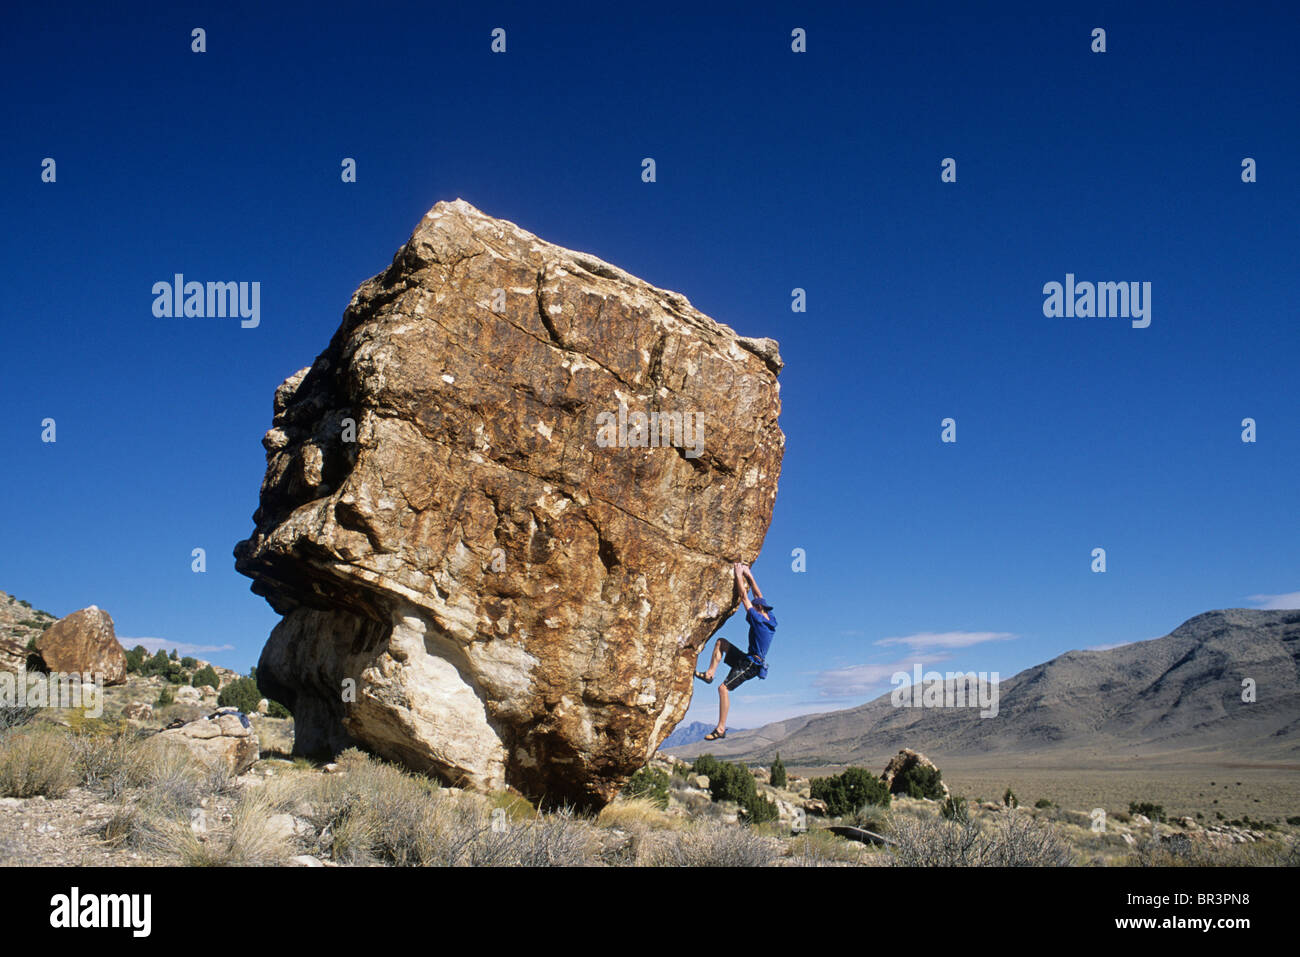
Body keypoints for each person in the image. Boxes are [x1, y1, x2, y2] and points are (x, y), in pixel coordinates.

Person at [694, 562, 776, 740]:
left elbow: (744, 596)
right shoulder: (770, 619)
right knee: (721, 643)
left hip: (751, 664)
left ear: (758, 609)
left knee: (723, 689)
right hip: (747, 657)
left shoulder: (758, 620)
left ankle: (721, 728)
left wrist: (739, 574)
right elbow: (758, 595)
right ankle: (709, 674)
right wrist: (750, 575)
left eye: (755, 607)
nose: (753, 608)